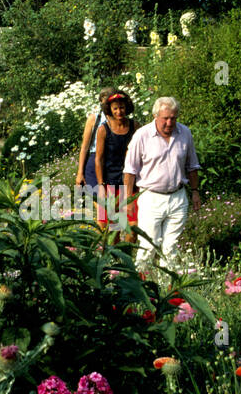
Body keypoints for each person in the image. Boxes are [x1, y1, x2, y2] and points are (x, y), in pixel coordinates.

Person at [122, 97, 201, 270]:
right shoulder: (142, 135)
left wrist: (195, 191)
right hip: (151, 198)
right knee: (148, 246)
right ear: (155, 116)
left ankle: (168, 290)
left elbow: (192, 165)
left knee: (170, 248)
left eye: (173, 118)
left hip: (178, 196)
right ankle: (139, 287)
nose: (169, 122)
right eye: (165, 118)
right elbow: (130, 170)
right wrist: (128, 200)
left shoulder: (185, 133)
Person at [93, 91, 139, 235]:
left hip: (131, 184)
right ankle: (114, 257)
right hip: (110, 183)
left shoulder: (135, 126)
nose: (119, 111)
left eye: (122, 108)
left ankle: (129, 254)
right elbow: (99, 159)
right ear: (110, 110)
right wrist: (100, 185)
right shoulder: (103, 130)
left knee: (134, 225)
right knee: (111, 228)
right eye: (115, 108)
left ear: (127, 108)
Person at [75, 89, 115, 203]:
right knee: (100, 202)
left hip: (113, 162)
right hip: (94, 161)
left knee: (115, 203)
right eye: (104, 102)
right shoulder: (94, 119)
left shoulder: (119, 119)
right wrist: (80, 173)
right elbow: (84, 147)